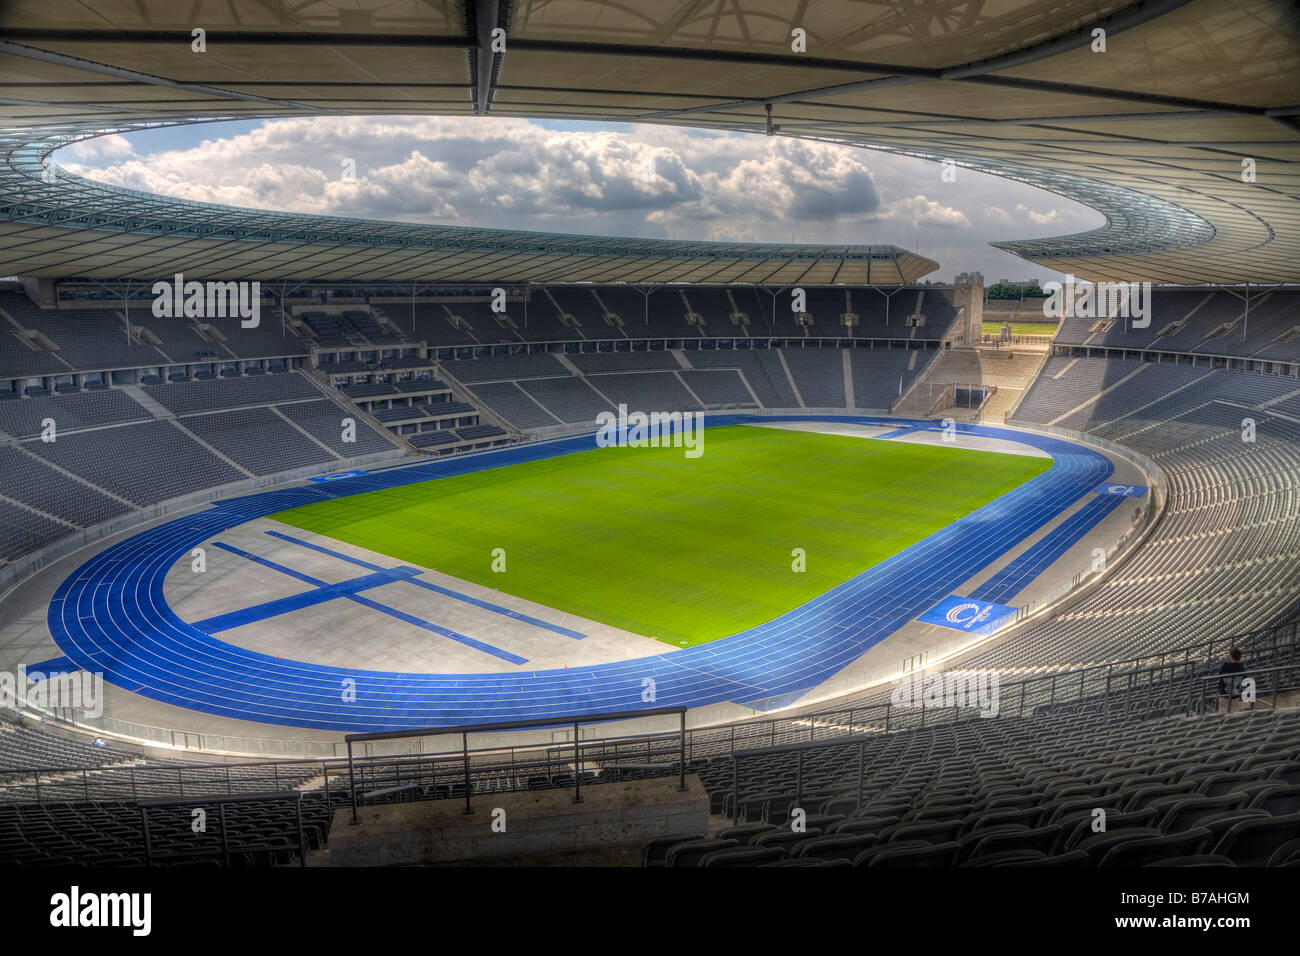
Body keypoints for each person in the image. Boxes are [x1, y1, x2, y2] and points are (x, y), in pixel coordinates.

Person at [1217, 647, 1246, 714]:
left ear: (1230, 656)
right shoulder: (1242, 666)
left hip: (1224, 693)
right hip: (1236, 693)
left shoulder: (1226, 665)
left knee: (1223, 713)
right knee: (1234, 712)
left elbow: (1220, 674)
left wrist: (1227, 662)